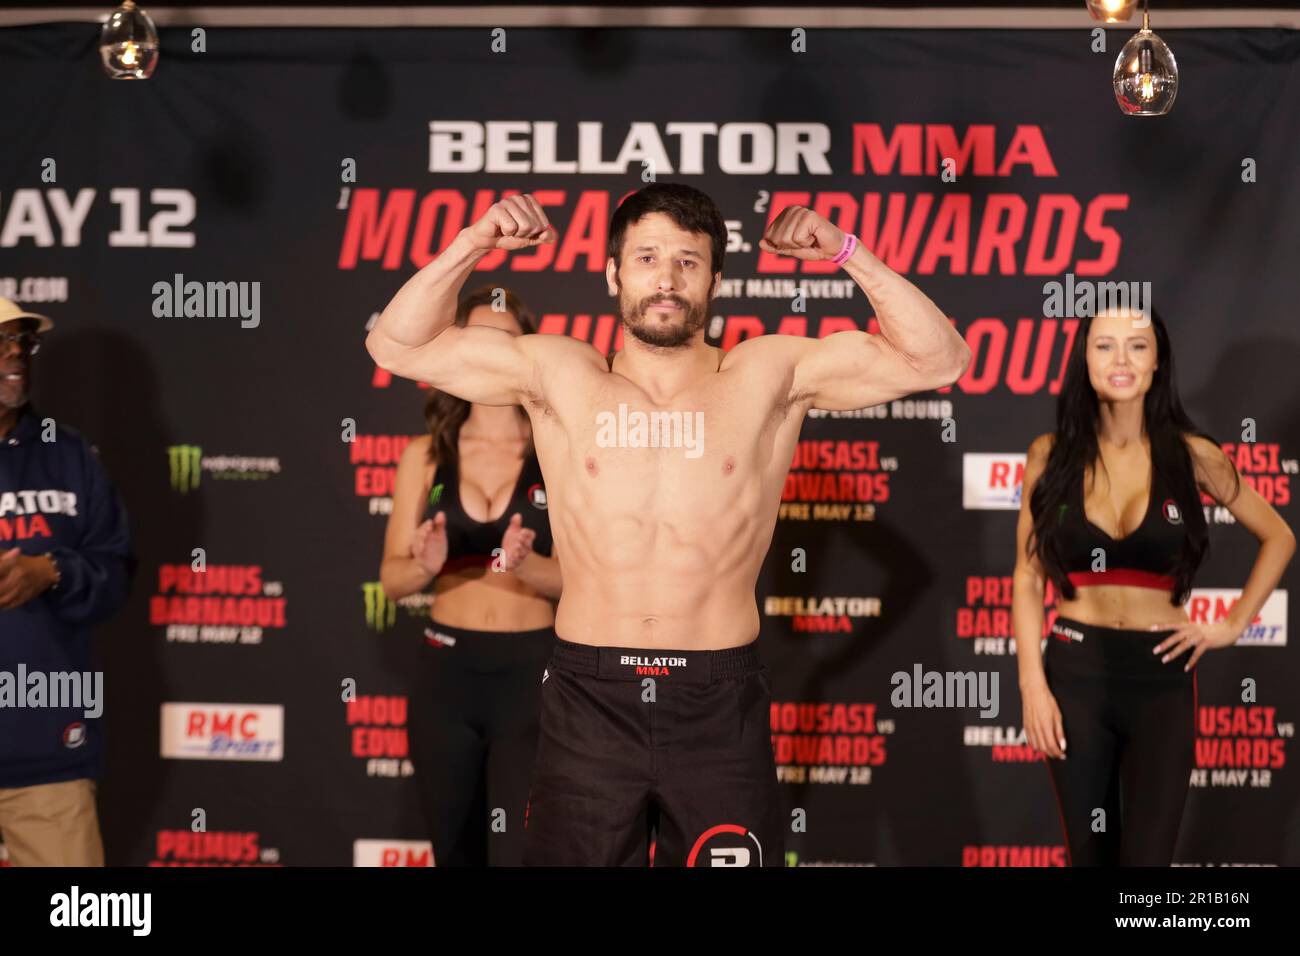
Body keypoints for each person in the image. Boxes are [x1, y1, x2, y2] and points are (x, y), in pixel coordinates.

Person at [368, 182, 970, 866]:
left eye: (688, 260)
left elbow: (941, 358)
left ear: (716, 278)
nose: (667, 277)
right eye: (648, 256)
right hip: (588, 697)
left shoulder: (768, 372)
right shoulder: (558, 373)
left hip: (719, 701)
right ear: (613, 273)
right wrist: (473, 243)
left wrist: (848, 253)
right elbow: (395, 345)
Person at [1013, 306, 1295, 866]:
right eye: (1104, 346)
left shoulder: (1195, 456)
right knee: (1089, 857)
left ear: (1157, 360)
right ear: (1084, 358)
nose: (1121, 360)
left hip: (1161, 681)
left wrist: (1233, 624)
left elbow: (1280, 536)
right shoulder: (1049, 456)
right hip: (1075, 674)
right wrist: (1030, 685)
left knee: (1148, 869)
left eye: (1137, 346)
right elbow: (1027, 574)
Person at [380, 285, 561, 866]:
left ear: (525, 351)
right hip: (447, 672)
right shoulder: (427, 454)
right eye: (475, 340)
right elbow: (392, 582)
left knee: (524, 852)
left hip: (534, 672)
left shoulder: (559, 451)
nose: (489, 355)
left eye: (503, 341)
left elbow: (583, 585)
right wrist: (426, 566)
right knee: (454, 851)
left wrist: (526, 565)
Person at [0, 297, 135, 866]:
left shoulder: (69, 453)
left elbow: (116, 572)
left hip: (46, 756)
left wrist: (52, 569)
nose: (16, 355)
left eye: (23, 342)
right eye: (0, 342)